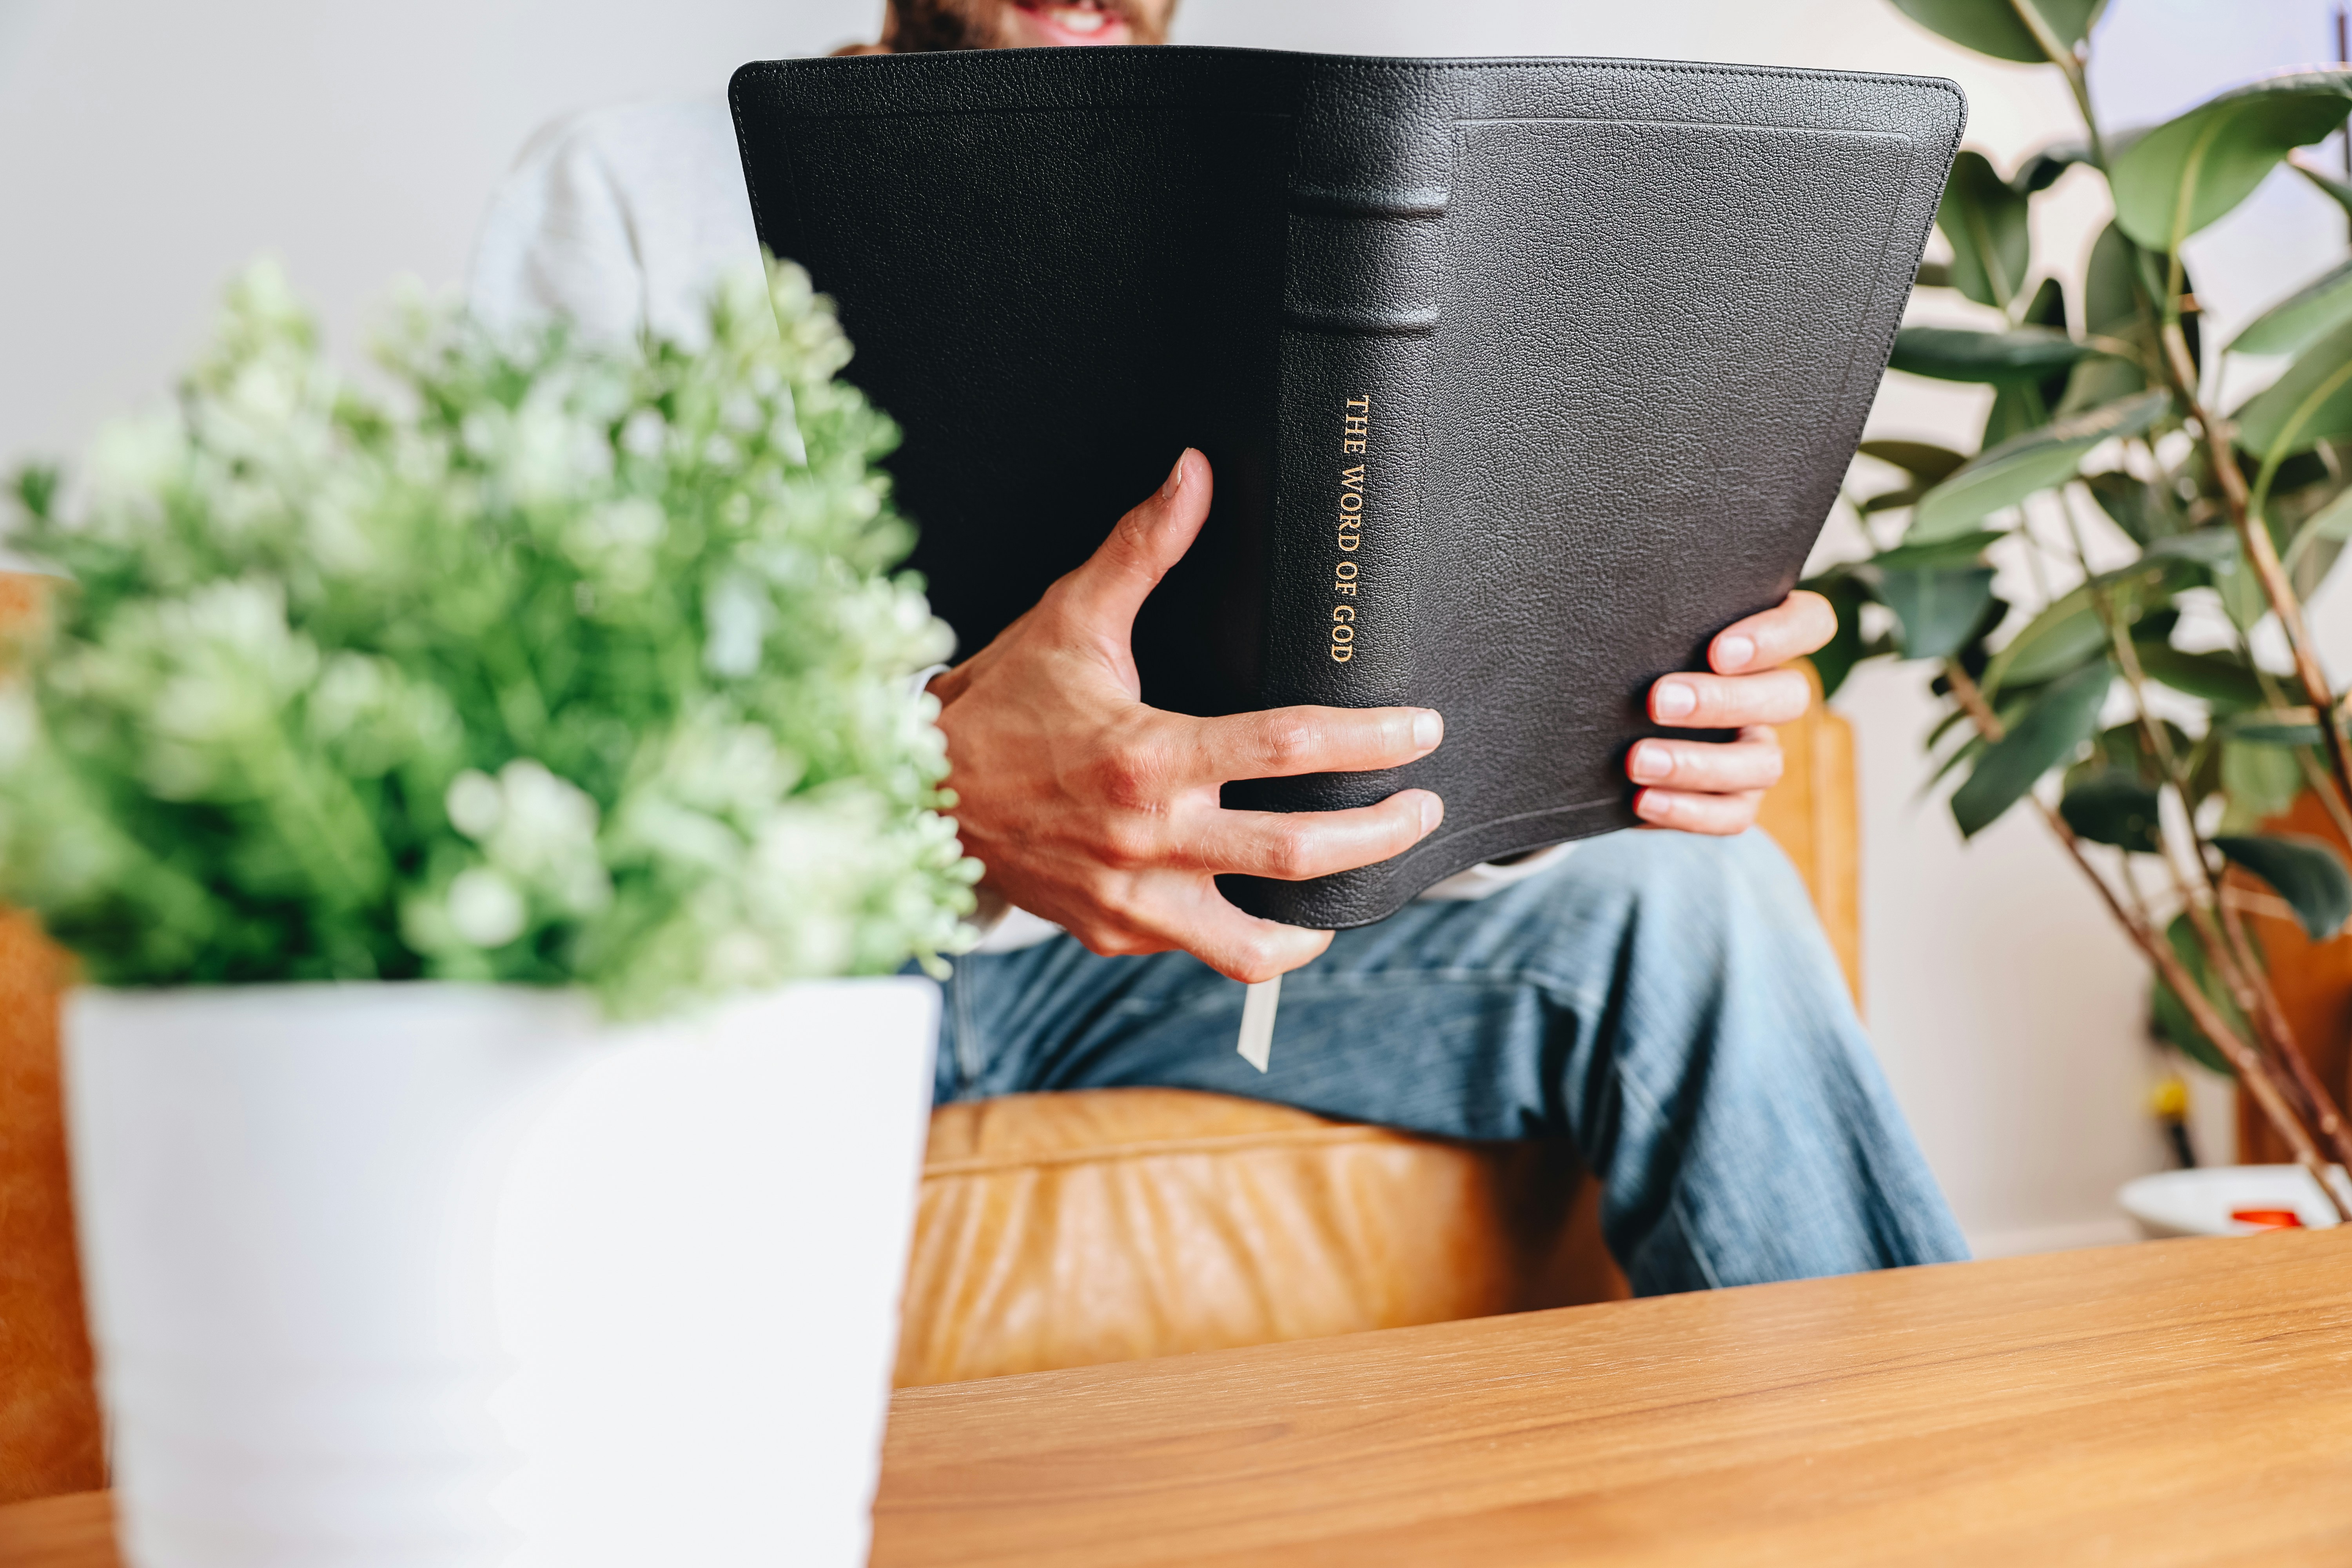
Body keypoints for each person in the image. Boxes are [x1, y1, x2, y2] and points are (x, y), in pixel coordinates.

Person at [470, 0, 1969, 1293]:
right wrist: (925, 779)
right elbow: (525, 727)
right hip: (793, 982)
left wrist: (1611, 724)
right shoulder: (634, 190)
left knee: (1693, 898)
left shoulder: (1251, 191)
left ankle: (1924, 1490)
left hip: (1163, 967)